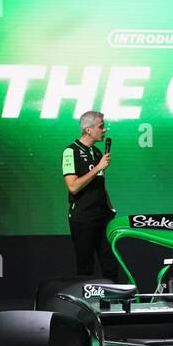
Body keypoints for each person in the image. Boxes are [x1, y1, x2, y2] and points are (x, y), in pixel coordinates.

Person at [63, 110, 122, 281]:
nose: (104, 130)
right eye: (101, 126)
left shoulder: (96, 152)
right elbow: (73, 186)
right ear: (88, 130)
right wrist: (98, 168)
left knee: (110, 264)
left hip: (102, 216)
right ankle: (84, 298)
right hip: (83, 217)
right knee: (85, 266)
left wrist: (110, 207)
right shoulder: (71, 151)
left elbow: (99, 184)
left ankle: (113, 297)